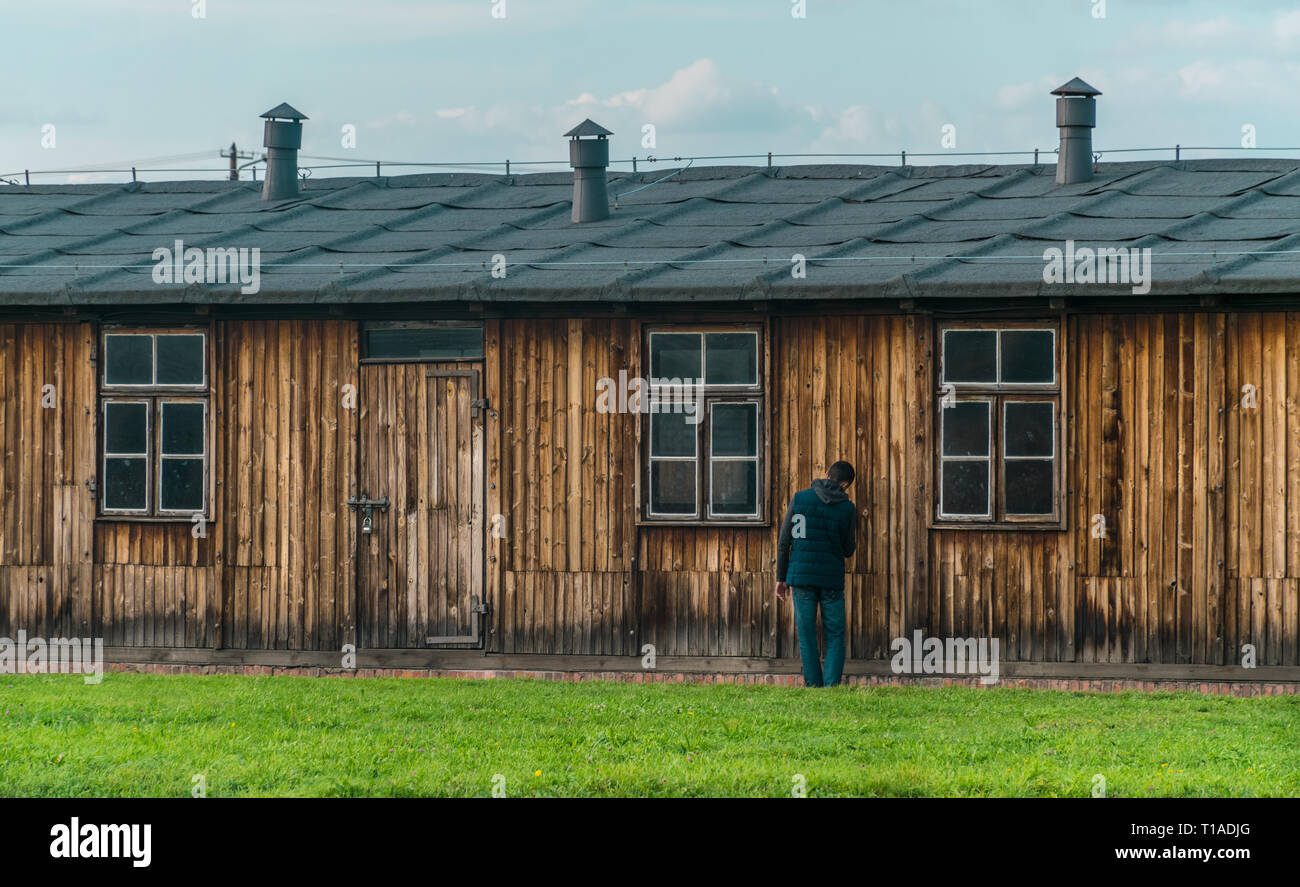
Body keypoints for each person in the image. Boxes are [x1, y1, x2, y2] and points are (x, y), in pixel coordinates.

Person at [775, 461, 857, 687]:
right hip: (831, 579)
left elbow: (784, 541)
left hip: (801, 577)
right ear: (845, 484)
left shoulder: (800, 499)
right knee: (835, 634)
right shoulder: (847, 509)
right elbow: (848, 549)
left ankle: (813, 685)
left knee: (807, 634)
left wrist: (781, 578)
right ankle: (830, 687)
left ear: (826, 473)